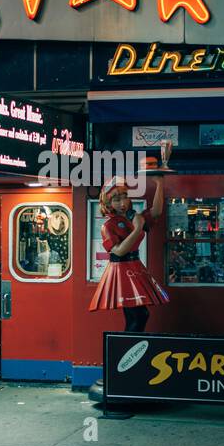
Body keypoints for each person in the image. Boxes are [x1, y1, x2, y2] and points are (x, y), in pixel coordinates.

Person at [88, 151, 170, 365]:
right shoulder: (109, 225)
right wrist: (137, 230)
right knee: (138, 315)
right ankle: (126, 357)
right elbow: (118, 251)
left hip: (134, 268)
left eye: (124, 196)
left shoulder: (134, 217)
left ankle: (129, 357)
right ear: (108, 201)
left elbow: (157, 211)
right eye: (116, 198)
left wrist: (159, 184)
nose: (123, 201)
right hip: (122, 270)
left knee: (138, 315)